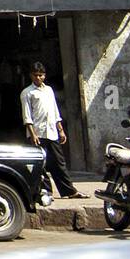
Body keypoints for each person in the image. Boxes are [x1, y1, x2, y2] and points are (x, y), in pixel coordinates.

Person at [20, 62, 86, 200]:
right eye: (36, 75)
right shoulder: (27, 93)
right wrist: (33, 134)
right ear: (31, 76)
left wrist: (60, 130)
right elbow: (27, 116)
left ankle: (69, 191)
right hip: (37, 133)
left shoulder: (49, 90)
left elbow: (55, 112)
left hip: (51, 132)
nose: (38, 78)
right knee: (41, 164)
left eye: (41, 75)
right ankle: (46, 192)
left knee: (59, 163)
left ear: (44, 75)